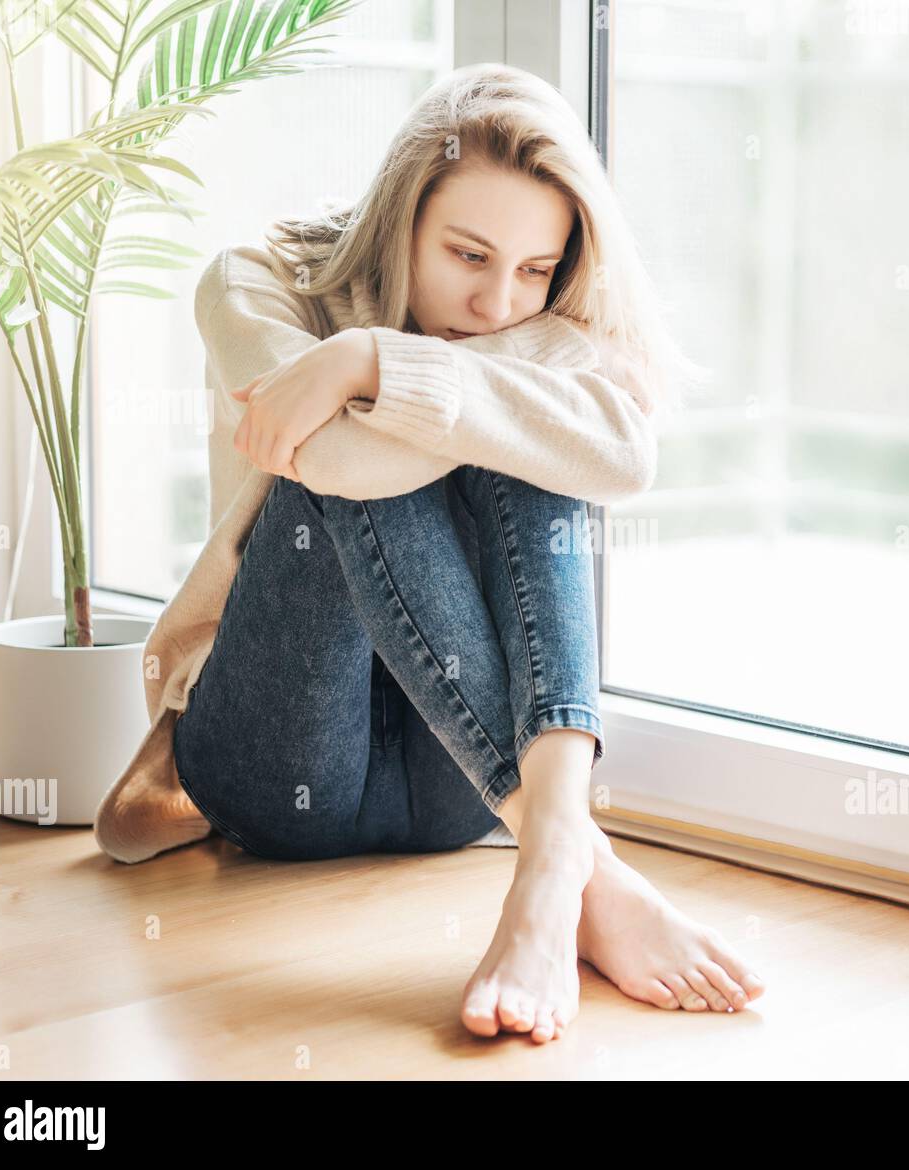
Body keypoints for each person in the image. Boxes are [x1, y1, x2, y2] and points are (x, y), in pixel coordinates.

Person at [170, 62, 766, 1045]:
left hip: (468, 792)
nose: (498, 303)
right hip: (270, 771)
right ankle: (583, 868)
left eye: (536, 271)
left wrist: (366, 362)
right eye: (467, 254)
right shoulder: (255, 282)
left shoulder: (535, 322)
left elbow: (621, 453)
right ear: (400, 213)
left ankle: (544, 867)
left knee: (539, 459)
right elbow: (332, 455)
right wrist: (375, 354)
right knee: (368, 467)